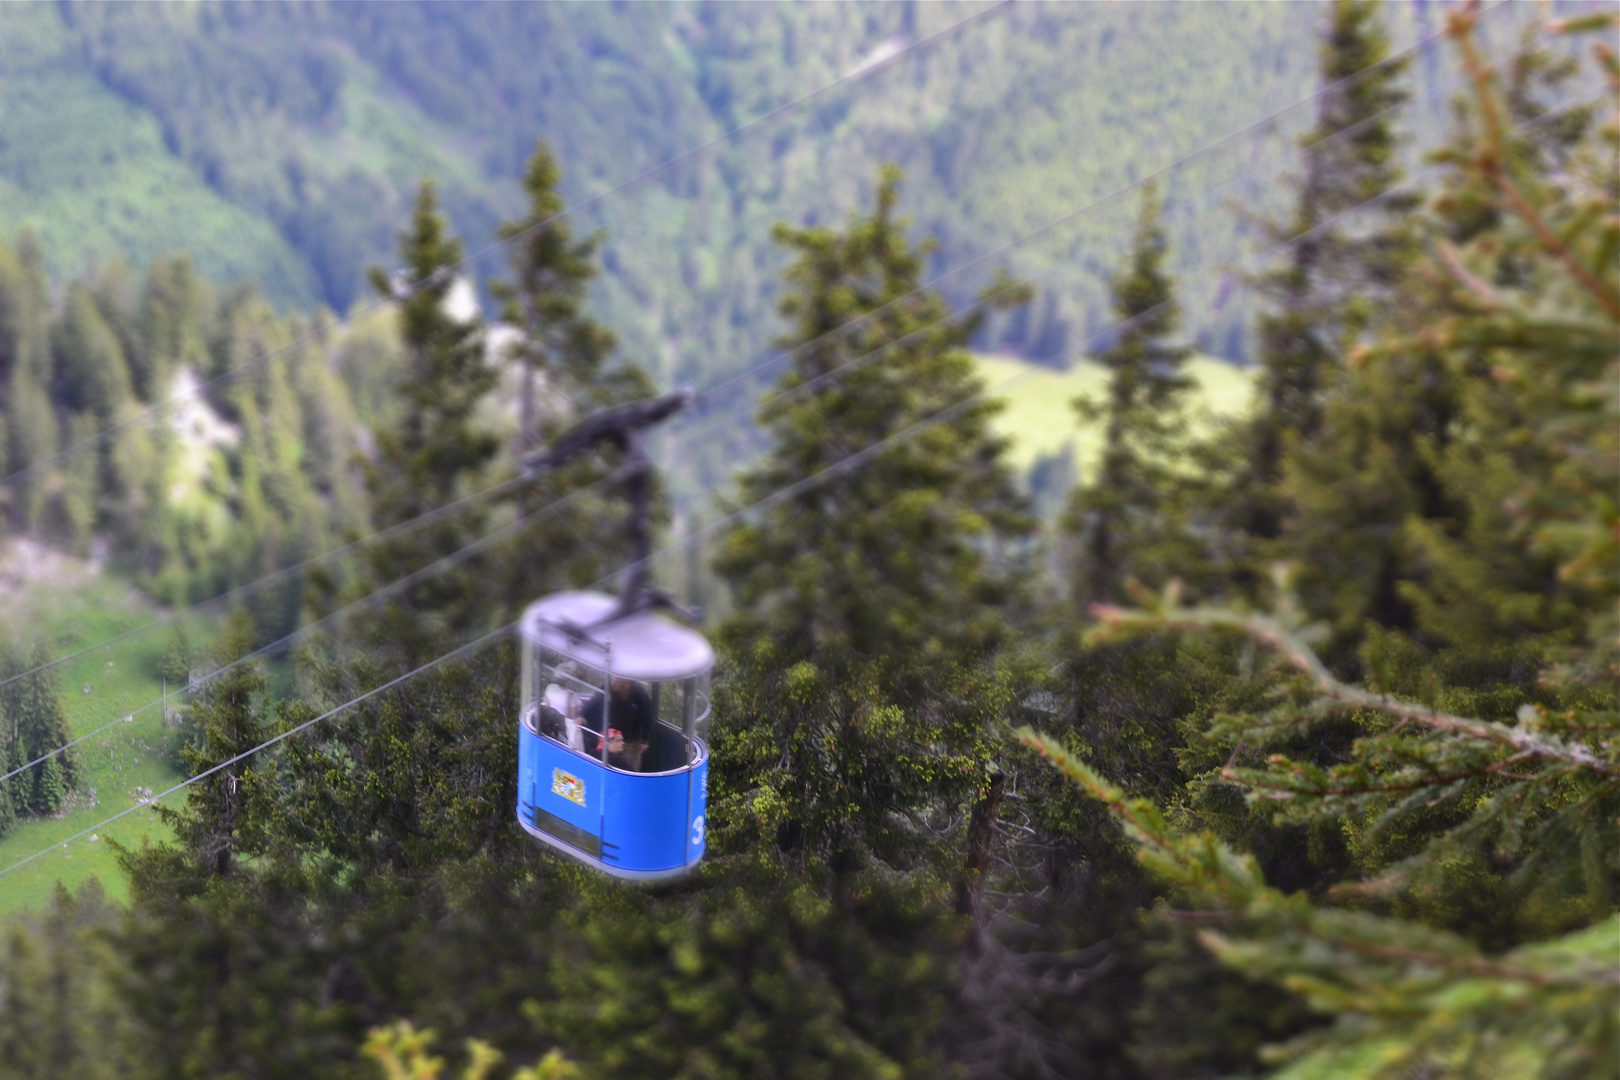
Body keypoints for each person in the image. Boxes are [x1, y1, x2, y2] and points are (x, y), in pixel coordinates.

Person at [581, 676, 655, 771]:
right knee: (607, 763)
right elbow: (594, 699)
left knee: (629, 766)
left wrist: (645, 740)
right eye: (612, 680)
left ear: (627, 683)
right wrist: (581, 714)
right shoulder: (608, 687)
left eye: (617, 682)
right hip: (610, 737)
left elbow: (647, 715)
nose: (613, 684)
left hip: (630, 739)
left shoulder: (639, 692)